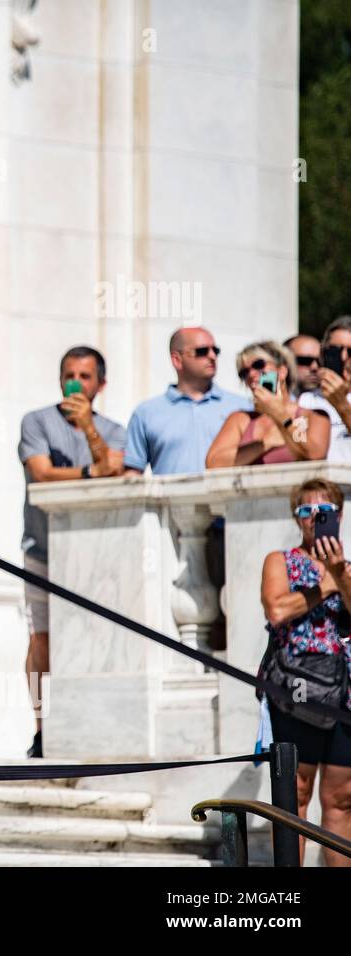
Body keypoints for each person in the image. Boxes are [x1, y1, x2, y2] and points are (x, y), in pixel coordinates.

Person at [18, 346, 126, 757]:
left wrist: (89, 431)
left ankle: (88, 723)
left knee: (96, 639)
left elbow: (114, 470)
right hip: (42, 550)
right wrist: (87, 472)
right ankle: (43, 728)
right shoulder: (37, 421)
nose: (75, 383)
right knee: (41, 640)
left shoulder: (113, 429)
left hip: (96, 556)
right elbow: (42, 474)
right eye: (69, 374)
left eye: (84, 376)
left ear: (100, 383)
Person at [258, 478, 351, 866]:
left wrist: (339, 576)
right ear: (297, 519)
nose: (315, 518)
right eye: (306, 511)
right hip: (296, 688)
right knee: (294, 793)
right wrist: (326, 587)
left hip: (344, 691)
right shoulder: (280, 560)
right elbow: (277, 609)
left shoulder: (346, 569)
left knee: (341, 798)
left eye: (324, 511)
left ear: (340, 515)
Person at [123, 326, 251, 475]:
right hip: (170, 499)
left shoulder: (243, 406)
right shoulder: (145, 413)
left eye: (215, 351)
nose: (212, 356)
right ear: (177, 360)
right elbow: (132, 475)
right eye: (202, 351)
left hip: (230, 498)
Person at [206, 341, 329, 468]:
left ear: (282, 371)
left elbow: (314, 454)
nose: (251, 374)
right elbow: (214, 463)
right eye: (244, 372)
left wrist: (282, 418)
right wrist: (265, 443)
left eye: (259, 365)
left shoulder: (311, 415)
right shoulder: (241, 419)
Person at [301, 316, 351, 462]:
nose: (343, 358)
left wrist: (341, 404)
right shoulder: (305, 400)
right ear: (322, 353)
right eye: (334, 351)